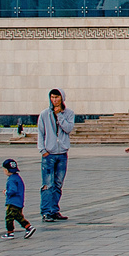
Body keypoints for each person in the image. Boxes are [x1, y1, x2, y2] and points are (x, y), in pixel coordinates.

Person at [36, 88, 74, 222]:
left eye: (57, 97)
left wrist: (60, 116)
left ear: (62, 98)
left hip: (62, 153)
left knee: (58, 183)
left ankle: (54, 210)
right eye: (52, 97)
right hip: (49, 154)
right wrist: (43, 150)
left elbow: (68, 129)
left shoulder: (68, 113)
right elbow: (41, 133)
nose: (54, 100)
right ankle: (46, 211)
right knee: (48, 184)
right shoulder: (44, 114)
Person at [2, 159, 35, 239]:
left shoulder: (11, 179)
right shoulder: (17, 178)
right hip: (19, 201)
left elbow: (13, 190)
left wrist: (6, 192)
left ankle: (25, 228)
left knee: (10, 217)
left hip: (13, 202)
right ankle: (26, 227)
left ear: (6, 170)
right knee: (17, 216)